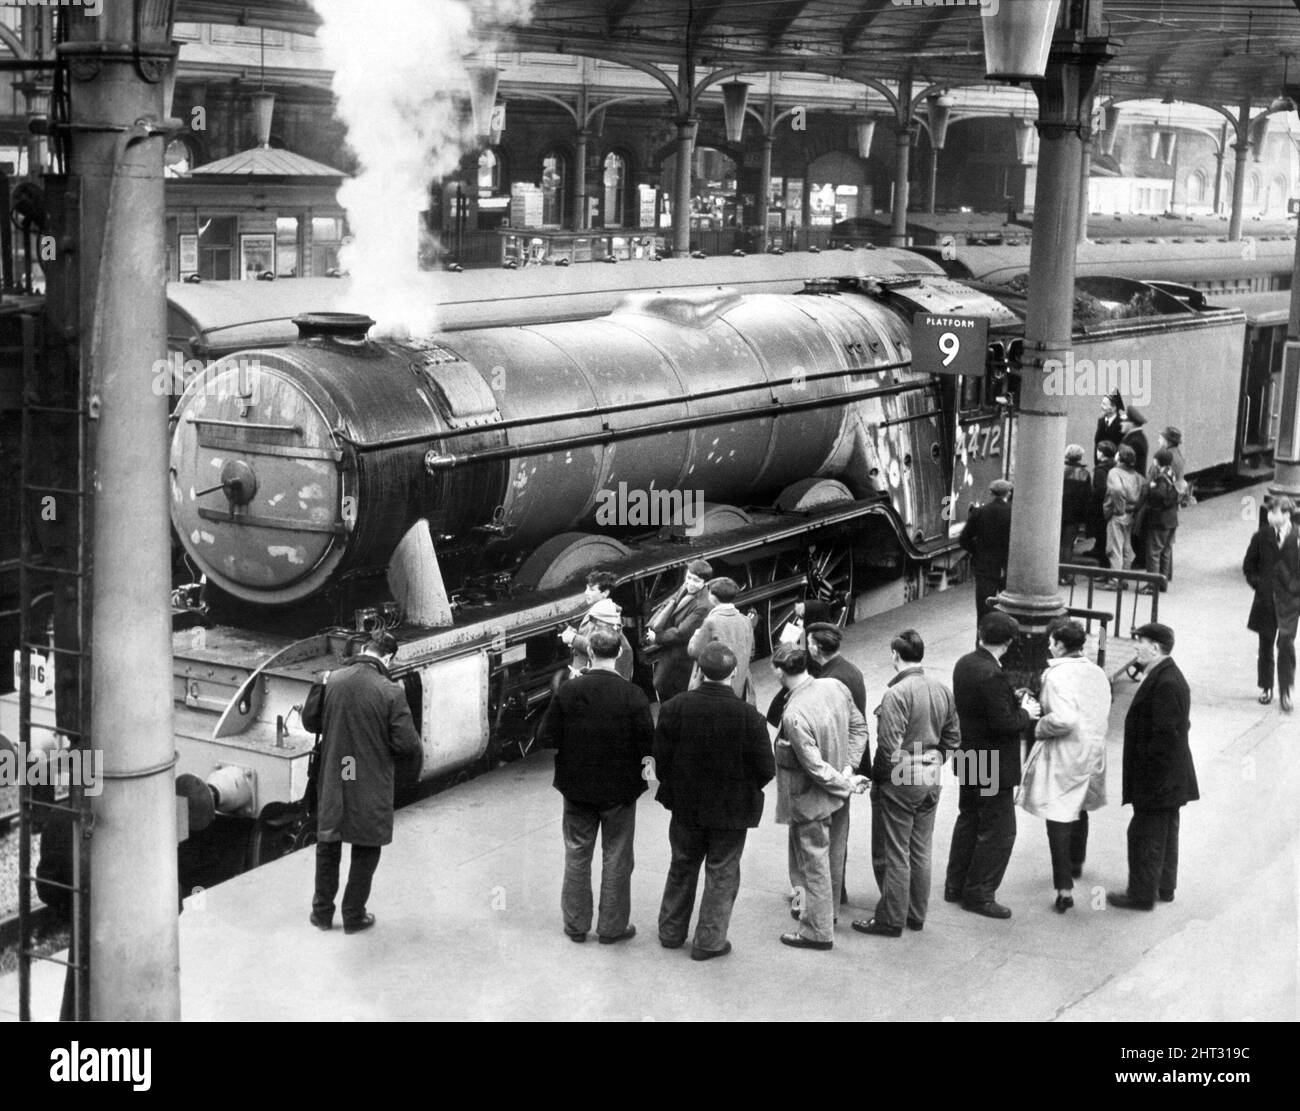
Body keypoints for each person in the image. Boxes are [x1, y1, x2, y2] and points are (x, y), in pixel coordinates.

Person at [654, 642, 775, 960]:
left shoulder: (674, 708)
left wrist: (678, 785)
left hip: (686, 806)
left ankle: (670, 932)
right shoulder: (750, 717)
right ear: (734, 672)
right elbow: (765, 769)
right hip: (731, 810)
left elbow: (661, 761)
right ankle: (708, 941)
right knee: (722, 871)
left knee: (681, 864)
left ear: (699, 671)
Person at [538, 625, 654, 943]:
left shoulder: (569, 691)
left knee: (577, 853)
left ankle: (576, 925)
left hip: (576, 788)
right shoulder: (633, 695)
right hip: (620, 790)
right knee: (617, 856)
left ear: (590, 652)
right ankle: (612, 928)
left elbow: (546, 737)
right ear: (618, 654)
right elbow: (648, 745)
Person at [305, 630, 422, 935]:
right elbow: (406, 744)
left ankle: (321, 914)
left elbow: (309, 723)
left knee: (328, 842)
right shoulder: (390, 691)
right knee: (366, 844)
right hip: (367, 777)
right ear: (388, 657)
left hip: (341, 771)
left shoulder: (332, 679)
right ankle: (353, 915)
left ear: (365, 649)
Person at [852, 630, 960, 938]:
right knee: (920, 848)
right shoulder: (941, 689)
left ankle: (891, 918)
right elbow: (953, 738)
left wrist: (884, 781)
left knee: (895, 851)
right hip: (932, 777)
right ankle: (916, 914)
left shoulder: (896, 694)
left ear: (895, 655)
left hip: (901, 779)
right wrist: (934, 761)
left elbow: (888, 749)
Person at [772, 643, 869, 950]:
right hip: (839, 793)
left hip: (811, 799)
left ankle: (816, 929)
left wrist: (843, 782)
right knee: (834, 856)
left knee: (812, 864)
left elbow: (813, 766)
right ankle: (830, 912)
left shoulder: (795, 713)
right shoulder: (835, 686)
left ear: (778, 671)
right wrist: (849, 768)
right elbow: (859, 727)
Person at [944, 611, 1040, 919]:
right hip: (993, 762)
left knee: (969, 818)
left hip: (970, 755)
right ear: (1009, 642)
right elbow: (1005, 724)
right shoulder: (993, 674)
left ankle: (955, 884)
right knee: (999, 830)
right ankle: (980, 892)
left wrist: (1011, 700)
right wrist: (1026, 712)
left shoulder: (965, 664)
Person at [1016, 620, 1109, 913]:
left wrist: (1039, 725)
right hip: (1093, 749)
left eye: (1052, 641)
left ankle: (1064, 886)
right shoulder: (1097, 673)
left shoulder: (1055, 677)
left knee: (1058, 813)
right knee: (1080, 804)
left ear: (1059, 645)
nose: (1048, 645)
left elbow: (1065, 718)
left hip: (1065, 752)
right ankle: (1077, 861)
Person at [1108, 623, 1199, 910]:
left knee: (1144, 834)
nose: (1136, 647)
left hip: (1158, 778)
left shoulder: (1166, 682)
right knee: (1166, 831)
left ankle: (1141, 894)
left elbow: (1166, 735)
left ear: (1156, 648)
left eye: (1141, 642)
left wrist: (1147, 776)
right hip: (1170, 777)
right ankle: (1164, 886)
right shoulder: (1167, 675)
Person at [1244, 495, 1300, 711]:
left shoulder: (1297, 537)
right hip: (1265, 602)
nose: (1268, 516)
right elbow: (1249, 565)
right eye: (1268, 512)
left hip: (1289, 603)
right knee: (1265, 646)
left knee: (1286, 646)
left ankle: (1286, 691)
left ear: (1286, 515)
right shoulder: (1261, 536)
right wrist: (1259, 585)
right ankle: (1266, 687)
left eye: (1273, 512)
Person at [645, 558, 713, 702]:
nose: (690, 583)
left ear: (705, 583)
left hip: (682, 655)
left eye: (696, 580)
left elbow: (682, 632)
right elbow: (670, 603)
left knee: (672, 689)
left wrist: (657, 638)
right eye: (688, 577)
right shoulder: (686, 587)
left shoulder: (703, 605)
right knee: (662, 685)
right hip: (672, 650)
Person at [687, 576, 755, 702]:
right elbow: (751, 651)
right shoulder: (746, 621)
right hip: (740, 686)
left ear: (712, 596)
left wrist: (695, 636)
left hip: (715, 687)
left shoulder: (711, 622)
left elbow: (694, 651)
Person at [960, 478, 1013, 622]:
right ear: (1008, 493)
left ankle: (982, 640)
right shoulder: (1013, 513)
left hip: (985, 565)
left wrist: (977, 551)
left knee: (984, 607)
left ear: (991, 493)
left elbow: (963, 539)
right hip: (1008, 567)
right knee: (1010, 608)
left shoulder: (980, 512)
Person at [563, 595, 634, 680]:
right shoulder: (595, 630)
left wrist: (574, 639)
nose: (593, 625)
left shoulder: (625, 648)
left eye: (598, 622)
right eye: (592, 620)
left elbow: (619, 683)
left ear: (610, 623)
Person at [1142, 447, 1181, 591]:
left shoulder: (1161, 478)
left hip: (1160, 521)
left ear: (1157, 461)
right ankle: (1162, 583)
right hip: (1172, 519)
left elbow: (1160, 497)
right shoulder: (1172, 474)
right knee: (1165, 552)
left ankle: (1152, 585)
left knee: (1153, 552)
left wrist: (1152, 488)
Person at [1103, 444, 1142, 580]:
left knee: (1114, 548)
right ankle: (1124, 577)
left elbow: (1117, 490)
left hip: (1118, 514)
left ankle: (1115, 580)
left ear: (1119, 457)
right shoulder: (1137, 476)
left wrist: (1118, 509)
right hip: (1131, 514)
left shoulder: (1114, 472)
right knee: (1126, 548)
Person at [1060, 444, 1092, 576]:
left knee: (1055, 544)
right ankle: (1064, 574)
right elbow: (1087, 497)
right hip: (1074, 515)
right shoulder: (1085, 474)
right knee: (1068, 545)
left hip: (1058, 512)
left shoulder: (1059, 469)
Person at [1083, 440, 1117, 563]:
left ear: (1102, 454)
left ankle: (1104, 568)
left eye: (1098, 450)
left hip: (1100, 507)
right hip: (1113, 505)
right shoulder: (1115, 466)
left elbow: (1100, 489)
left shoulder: (1100, 469)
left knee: (1101, 536)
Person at [1120, 404, 1149, 478]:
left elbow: (1127, 465)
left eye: (1124, 421)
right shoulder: (1135, 437)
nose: (1121, 423)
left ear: (1131, 424)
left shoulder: (1135, 441)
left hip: (1133, 484)